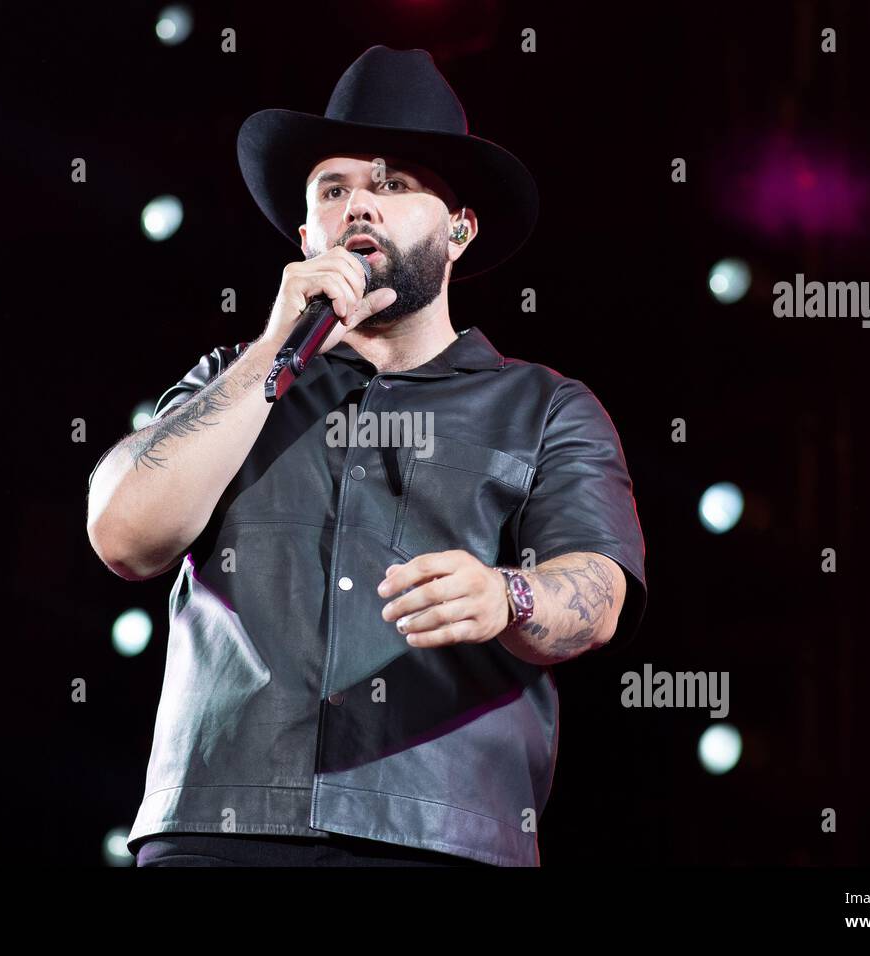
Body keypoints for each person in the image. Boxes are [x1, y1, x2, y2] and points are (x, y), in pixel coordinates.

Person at [86, 45, 648, 868]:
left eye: (392, 184)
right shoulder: (230, 382)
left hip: (439, 835)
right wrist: (274, 353)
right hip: (219, 830)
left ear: (460, 228)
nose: (360, 206)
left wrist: (507, 594)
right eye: (334, 188)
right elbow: (124, 535)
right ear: (305, 232)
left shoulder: (544, 408)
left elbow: (597, 593)